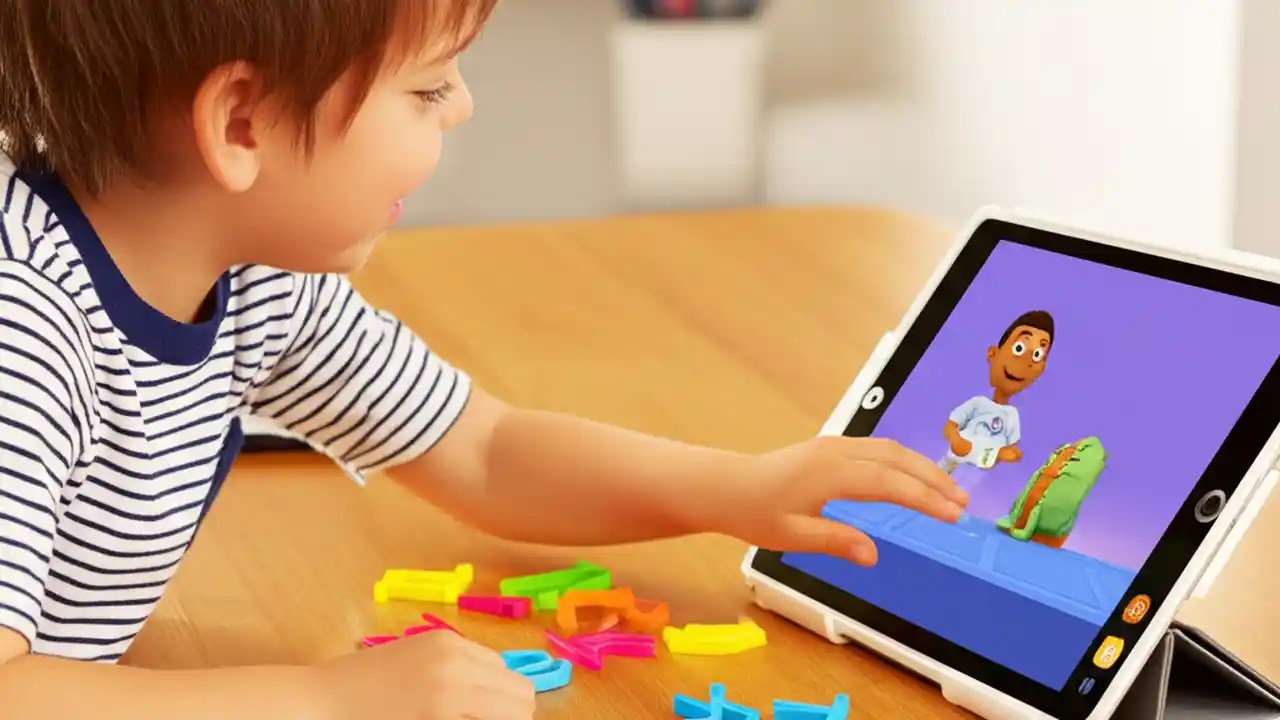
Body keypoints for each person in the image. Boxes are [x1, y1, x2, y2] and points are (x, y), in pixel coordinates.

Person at [0, 2, 968, 718]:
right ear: (241, 124)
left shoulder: (246, 276)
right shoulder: (26, 326)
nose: (461, 106)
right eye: (426, 86)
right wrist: (323, 705)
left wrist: (729, 490)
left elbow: (483, 449)